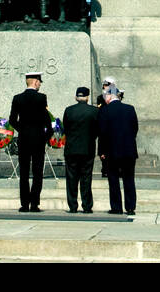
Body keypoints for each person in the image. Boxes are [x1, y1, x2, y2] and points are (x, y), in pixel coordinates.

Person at [9, 71, 52, 211]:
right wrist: (46, 136)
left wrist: (22, 130)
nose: (40, 84)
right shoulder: (41, 98)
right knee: (38, 172)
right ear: (35, 82)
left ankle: (24, 204)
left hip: (24, 139)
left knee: (24, 173)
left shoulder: (17, 98)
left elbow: (12, 120)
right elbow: (46, 119)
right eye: (39, 82)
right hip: (38, 139)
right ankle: (34, 203)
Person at [97, 84, 138, 215]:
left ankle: (116, 207)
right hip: (128, 151)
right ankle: (130, 207)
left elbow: (102, 133)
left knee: (113, 180)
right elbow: (135, 128)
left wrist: (101, 151)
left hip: (111, 151)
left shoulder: (104, 111)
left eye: (105, 96)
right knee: (129, 179)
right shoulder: (130, 109)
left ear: (109, 96)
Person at [61, 87, 98, 213]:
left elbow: (65, 128)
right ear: (87, 97)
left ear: (76, 97)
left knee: (71, 178)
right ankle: (87, 206)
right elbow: (96, 130)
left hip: (71, 149)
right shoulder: (94, 111)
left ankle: (73, 206)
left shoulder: (69, 110)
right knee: (86, 178)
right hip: (87, 149)